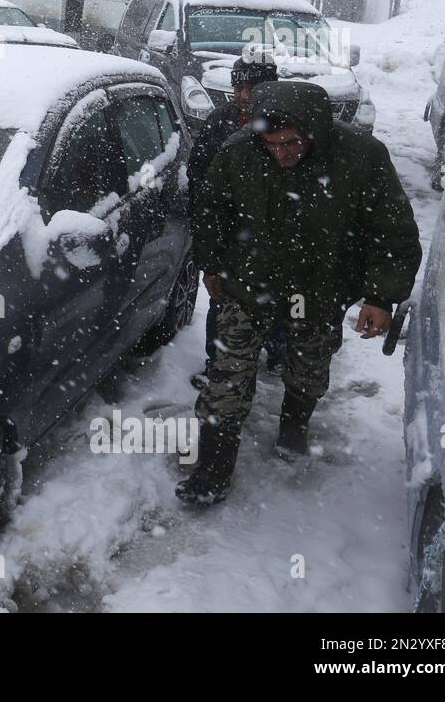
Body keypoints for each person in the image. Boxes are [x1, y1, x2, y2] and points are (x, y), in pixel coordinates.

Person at [177, 80, 421, 505]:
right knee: (227, 373)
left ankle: (294, 424)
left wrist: (381, 297)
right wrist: (212, 263)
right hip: (250, 282)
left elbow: (392, 231)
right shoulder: (239, 152)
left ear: (315, 131)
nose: (282, 152)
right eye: (271, 144)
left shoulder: (361, 156)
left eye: (291, 143)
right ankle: (212, 470)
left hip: (320, 286)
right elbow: (212, 209)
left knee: (309, 369)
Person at [187, 48, 286, 378]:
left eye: (252, 89)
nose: (243, 96)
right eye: (238, 87)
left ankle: (279, 352)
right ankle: (218, 363)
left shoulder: (289, 126)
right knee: (222, 302)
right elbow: (199, 173)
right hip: (231, 238)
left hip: (280, 238)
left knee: (281, 302)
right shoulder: (221, 122)